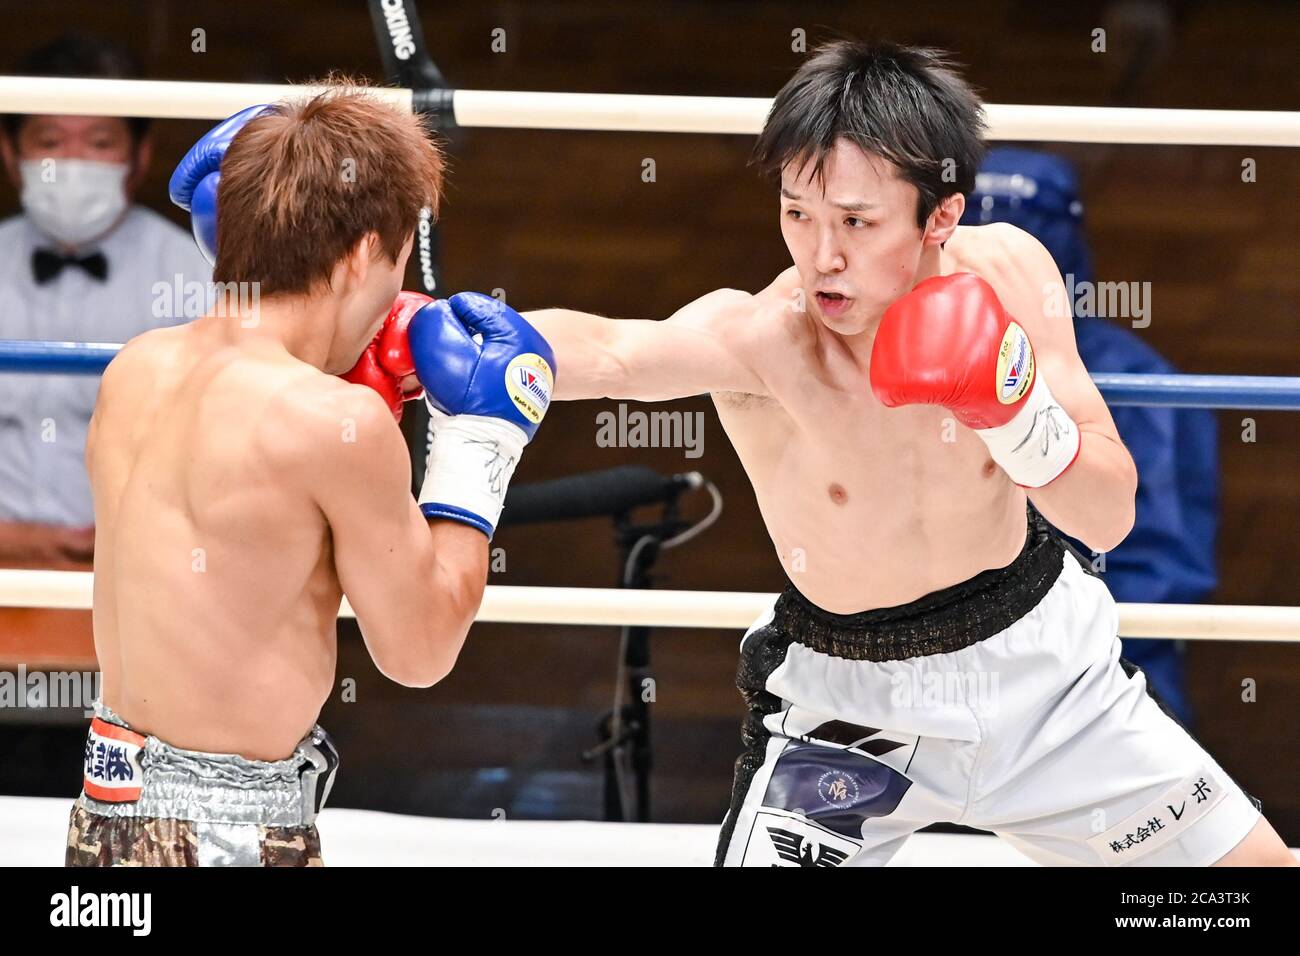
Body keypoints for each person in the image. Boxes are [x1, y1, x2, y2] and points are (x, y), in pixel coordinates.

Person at [526, 39, 1294, 866]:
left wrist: (1015, 415)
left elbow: (1107, 517)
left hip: (1044, 683)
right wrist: (455, 341)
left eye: (856, 222)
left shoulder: (1008, 274)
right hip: (849, 718)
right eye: (797, 214)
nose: (822, 256)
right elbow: (609, 353)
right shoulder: (762, 338)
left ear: (941, 215)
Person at [65, 88, 555, 866]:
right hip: (231, 836)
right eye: (397, 264)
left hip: (107, 813)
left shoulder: (136, 369)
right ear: (364, 253)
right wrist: (479, 445)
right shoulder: (336, 425)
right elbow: (419, 650)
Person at [962, 147, 1215, 728]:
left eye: (1025, 232)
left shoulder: (1143, 385)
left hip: (1108, 661)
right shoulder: (896, 364)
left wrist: (1065, 640)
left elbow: (1169, 564)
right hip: (944, 657)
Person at [0, 34, 211, 569]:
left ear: (139, 155)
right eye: (49, 140)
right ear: (10, 152)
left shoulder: (203, 278)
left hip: (148, 576)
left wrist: (140, 536)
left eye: (98, 143)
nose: (72, 161)